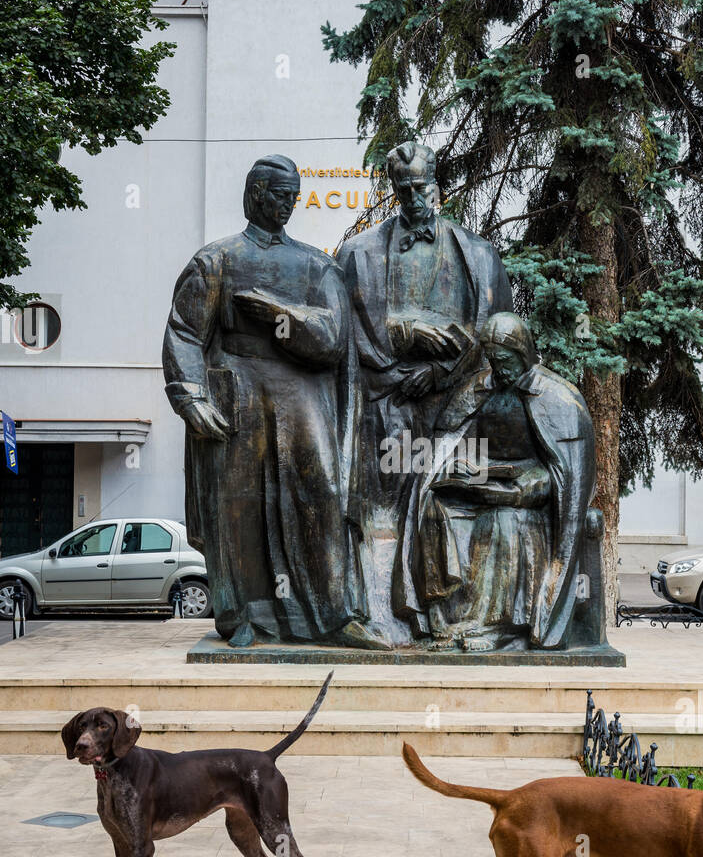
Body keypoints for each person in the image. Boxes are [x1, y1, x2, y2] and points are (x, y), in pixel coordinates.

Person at [163, 154, 390, 650]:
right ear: (255, 194)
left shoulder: (316, 264)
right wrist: (191, 394)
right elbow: (184, 332)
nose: (288, 204)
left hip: (304, 397)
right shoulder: (215, 260)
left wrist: (279, 313)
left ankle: (335, 614)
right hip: (237, 393)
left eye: (294, 196)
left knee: (323, 496)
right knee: (238, 506)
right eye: (279, 195)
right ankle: (247, 614)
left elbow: (333, 338)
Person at [394, 313, 596, 651]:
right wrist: (459, 467)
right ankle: (448, 622)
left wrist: (530, 485)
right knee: (433, 509)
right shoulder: (479, 389)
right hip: (482, 484)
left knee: (502, 521)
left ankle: (498, 626)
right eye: (492, 360)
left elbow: (570, 477)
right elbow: (453, 440)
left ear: (522, 353)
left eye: (503, 360)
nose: (497, 368)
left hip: (529, 497)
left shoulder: (557, 398)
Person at [337, 141, 513, 509]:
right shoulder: (358, 253)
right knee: (386, 508)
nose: (414, 198)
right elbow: (344, 332)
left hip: (459, 402)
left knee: (453, 504)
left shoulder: (479, 255)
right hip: (387, 402)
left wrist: (438, 373)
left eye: (420, 188)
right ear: (394, 189)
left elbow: (497, 334)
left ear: (435, 186)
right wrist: (404, 331)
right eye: (404, 190)